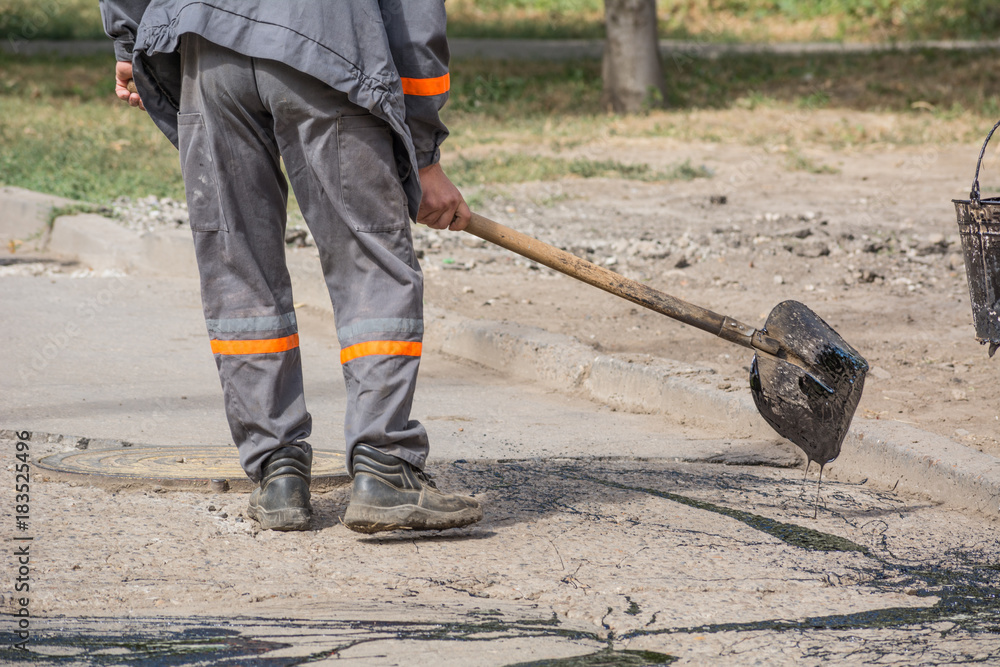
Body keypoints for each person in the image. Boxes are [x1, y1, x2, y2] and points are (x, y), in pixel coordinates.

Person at [98, 0, 482, 533]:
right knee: (367, 257)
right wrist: (420, 153)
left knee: (237, 262)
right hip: (326, 45)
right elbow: (413, 15)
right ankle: (385, 469)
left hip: (207, 48)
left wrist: (131, 41)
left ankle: (277, 472)